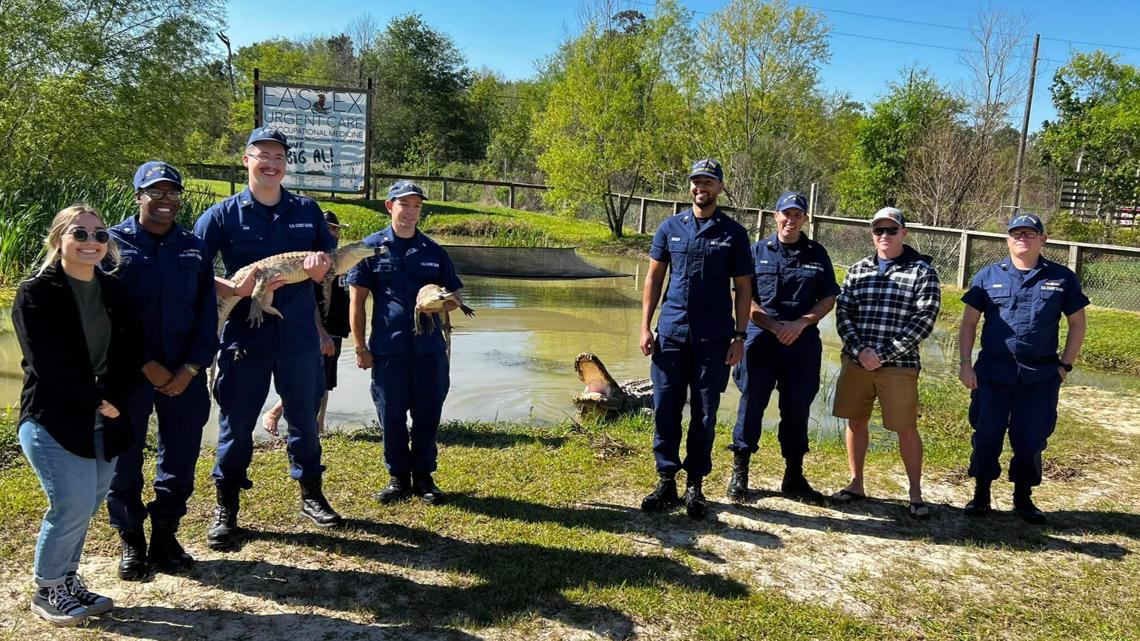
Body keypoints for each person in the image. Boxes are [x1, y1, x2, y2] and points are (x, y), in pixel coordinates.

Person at [193, 126, 343, 551]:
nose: (272, 164)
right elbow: (194, 268)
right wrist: (235, 291)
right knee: (236, 424)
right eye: (264, 156)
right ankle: (227, 508)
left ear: (285, 164)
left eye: (279, 157)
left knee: (305, 419)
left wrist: (320, 269)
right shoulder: (222, 215)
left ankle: (311, 495)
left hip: (296, 335)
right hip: (245, 335)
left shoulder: (307, 210)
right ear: (247, 160)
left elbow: (327, 264)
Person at [12, 205, 144, 626]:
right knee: (69, 504)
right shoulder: (36, 292)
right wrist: (97, 398)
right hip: (54, 415)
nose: (92, 243)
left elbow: (129, 350)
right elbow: (45, 363)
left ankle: (68, 580)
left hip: (110, 414)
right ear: (58, 240)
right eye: (80, 234)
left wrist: (113, 397)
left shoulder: (114, 290)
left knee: (88, 503)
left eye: (100, 235)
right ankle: (47, 589)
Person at [103, 162, 217, 580]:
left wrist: (190, 367)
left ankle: (166, 537)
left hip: (184, 375)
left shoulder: (194, 247)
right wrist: (145, 364)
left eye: (173, 193)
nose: (166, 200)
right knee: (124, 459)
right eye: (156, 192)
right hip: (128, 376)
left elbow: (208, 312)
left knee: (181, 457)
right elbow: (105, 314)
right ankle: (131, 540)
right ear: (138, 196)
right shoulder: (110, 243)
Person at [638, 159, 753, 520]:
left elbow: (744, 288)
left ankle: (695, 486)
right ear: (690, 187)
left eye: (709, 182)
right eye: (696, 181)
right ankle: (666, 480)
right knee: (666, 408)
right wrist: (645, 327)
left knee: (704, 413)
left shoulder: (733, 233)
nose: (701, 187)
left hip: (714, 338)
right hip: (670, 333)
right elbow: (654, 280)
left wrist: (739, 336)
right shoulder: (670, 227)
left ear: (720, 188)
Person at [958, 213, 1088, 524]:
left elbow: (1077, 324)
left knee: (1030, 439)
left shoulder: (1061, 278)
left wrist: (1064, 366)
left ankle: (1023, 497)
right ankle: (981, 494)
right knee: (987, 434)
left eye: (1030, 233)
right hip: (992, 374)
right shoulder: (988, 276)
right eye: (1017, 233)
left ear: (1042, 239)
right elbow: (969, 323)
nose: (1023, 238)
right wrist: (965, 364)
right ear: (1007, 239)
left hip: (1040, 377)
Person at [347, 180, 465, 506]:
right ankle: (398, 478)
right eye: (405, 205)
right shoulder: (369, 249)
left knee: (428, 414)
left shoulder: (434, 251)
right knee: (392, 415)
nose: (411, 212)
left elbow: (455, 297)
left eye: (416, 206)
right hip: (388, 349)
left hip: (429, 350)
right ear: (390, 206)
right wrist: (360, 347)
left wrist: (440, 303)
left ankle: (425, 477)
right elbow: (356, 303)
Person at [727, 191, 839, 503]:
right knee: (751, 406)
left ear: (805, 220)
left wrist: (801, 323)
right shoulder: (756, 250)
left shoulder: (817, 254)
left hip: (801, 345)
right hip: (761, 341)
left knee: (797, 410)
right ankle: (740, 473)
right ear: (775, 216)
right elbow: (744, 296)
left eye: (797, 215)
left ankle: (793, 477)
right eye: (785, 214)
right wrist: (775, 326)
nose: (791, 220)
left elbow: (828, 298)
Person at [831, 207, 941, 519]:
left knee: (905, 427)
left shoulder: (922, 272)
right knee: (855, 420)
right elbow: (844, 313)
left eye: (891, 230)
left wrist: (882, 354)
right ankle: (856, 483)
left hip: (898, 365)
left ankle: (916, 493)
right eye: (879, 230)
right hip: (856, 361)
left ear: (904, 233)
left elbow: (924, 320)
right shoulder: (858, 268)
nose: (884, 235)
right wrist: (859, 349)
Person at [263, 210, 351, 435]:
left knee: (326, 382)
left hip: (337, 329)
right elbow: (308, 302)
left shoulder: (340, 260)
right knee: (310, 380)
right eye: (328, 228)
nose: (332, 233)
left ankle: (319, 425)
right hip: (316, 331)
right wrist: (320, 333)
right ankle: (275, 412)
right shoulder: (309, 264)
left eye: (335, 229)